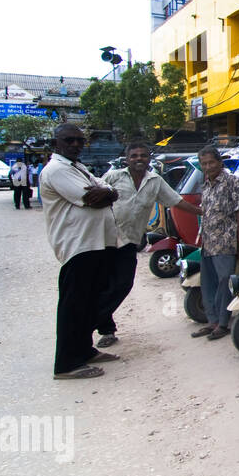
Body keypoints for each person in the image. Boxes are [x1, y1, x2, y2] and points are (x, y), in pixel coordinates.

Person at [98, 141, 202, 348]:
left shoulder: (155, 181)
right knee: (103, 284)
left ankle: (96, 317)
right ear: (127, 159)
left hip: (130, 241)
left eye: (143, 155)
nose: (139, 159)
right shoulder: (113, 177)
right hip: (104, 239)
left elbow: (176, 201)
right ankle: (106, 329)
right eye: (134, 155)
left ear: (148, 158)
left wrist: (203, 212)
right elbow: (94, 197)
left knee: (123, 284)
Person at [39, 123, 121, 380]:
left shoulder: (77, 167)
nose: (75, 144)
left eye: (79, 140)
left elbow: (108, 191)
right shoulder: (56, 170)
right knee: (74, 306)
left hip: (94, 245)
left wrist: (108, 192)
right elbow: (91, 200)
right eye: (69, 140)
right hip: (78, 245)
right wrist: (107, 193)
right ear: (56, 143)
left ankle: (84, 351)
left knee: (88, 303)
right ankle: (67, 364)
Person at [193, 146, 239, 341]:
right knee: (208, 283)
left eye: (211, 162)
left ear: (220, 162)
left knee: (225, 282)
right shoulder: (206, 185)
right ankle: (212, 321)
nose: (208, 167)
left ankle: (223, 323)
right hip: (208, 242)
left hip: (225, 242)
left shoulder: (233, 182)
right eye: (204, 164)